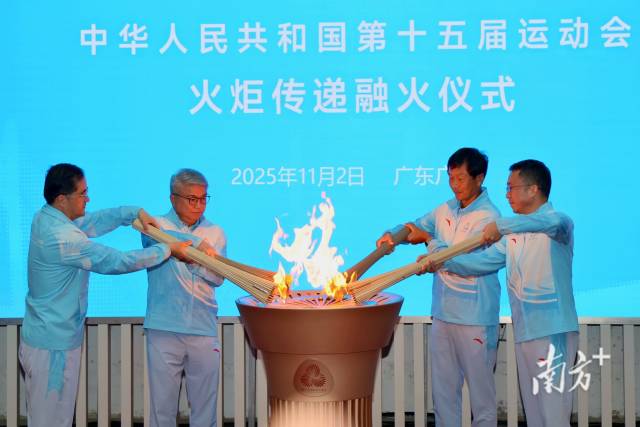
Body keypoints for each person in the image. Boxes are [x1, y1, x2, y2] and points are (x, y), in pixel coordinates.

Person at [20, 163, 191, 427]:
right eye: (82, 194)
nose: (87, 199)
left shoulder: (47, 216)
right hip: (51, 348)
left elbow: (93, 221)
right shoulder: (61, 237)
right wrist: (168, 249)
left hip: (53, 339)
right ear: (62, 199)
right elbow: (116, 261)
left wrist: (133, 213)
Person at [426, 159, 578, 427]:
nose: (506, 194)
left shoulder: (559, 224)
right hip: (525, 332)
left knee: (554, 414)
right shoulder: (511, 237)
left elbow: (547, 223)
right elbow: (478, 263)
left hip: (553, 332)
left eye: (511, 188)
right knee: (535, 415)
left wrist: (502, 226)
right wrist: (439, 258)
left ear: (533, 189)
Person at [377, 148, 501, 427]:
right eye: (450, 178)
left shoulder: (489, 218)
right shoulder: (445, 209)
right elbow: (416, 227)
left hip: (475, 318)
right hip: (443, 315)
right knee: (444, 395)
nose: (454, 185)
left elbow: (463, 261)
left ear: (479, 178)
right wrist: (393, 235)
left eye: (460, 178)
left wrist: (430, 245)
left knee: (481, 400)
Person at [142, 168, 226, 427]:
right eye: (192, 199)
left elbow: (219, 277)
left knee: (205, 410)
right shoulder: (155, 226)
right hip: (164, 327)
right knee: (162, 410)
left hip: (203, 328)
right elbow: (157, 241)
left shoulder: (215, 232)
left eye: (203, 198)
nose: (199, 205)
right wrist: (196, 248)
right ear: (173, 198)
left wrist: (196, 263)